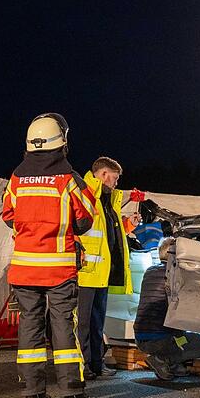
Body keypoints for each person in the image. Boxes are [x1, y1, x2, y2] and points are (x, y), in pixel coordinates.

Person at [2, 113, 99, 398]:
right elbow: (85, 218)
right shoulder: (69, 179)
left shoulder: (17, 178)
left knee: (29, 327)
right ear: (62, 142)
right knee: (63, 327)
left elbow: (8, 215)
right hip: (58, 270)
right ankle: (72, 394)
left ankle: (32, 393)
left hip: (24, 269)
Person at [76, 157, 141, 378]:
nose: (116, 183)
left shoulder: (106, 200)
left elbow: (107, 233)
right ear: (104, 174)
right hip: (85, 273)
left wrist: (128, 225)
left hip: (100, 273)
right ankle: (83, 365)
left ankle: (96, 363)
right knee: (83, 324)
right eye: (115, 178)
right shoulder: (84, 194)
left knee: (96, 323)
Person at [134, 240, 200, 381]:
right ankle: (164, 360)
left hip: (140, 337)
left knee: (181, 337)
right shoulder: (176, 275)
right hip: (161, 338)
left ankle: (170, 365)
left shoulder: (150, 271)